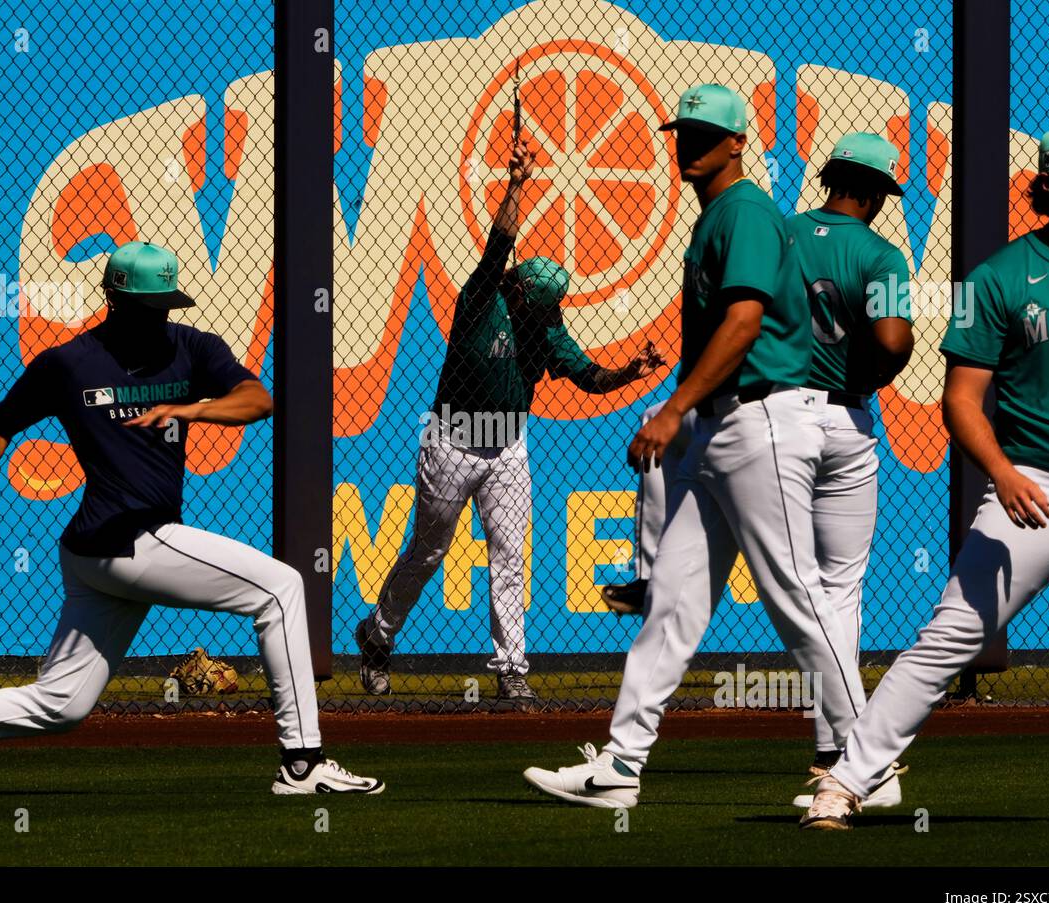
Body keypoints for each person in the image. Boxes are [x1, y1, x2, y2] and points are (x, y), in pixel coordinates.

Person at [0, 241, 381, 798]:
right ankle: (302, 763)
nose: (160, 315)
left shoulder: (189, 348)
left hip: (119, 548)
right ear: (113, 299)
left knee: (61, 704)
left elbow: (256, 399)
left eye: (166, 304)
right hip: (120, 539)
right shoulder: (69, 363)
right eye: (149, 306)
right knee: (281, 587)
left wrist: (191, 409)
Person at [523, 83, 866, 807]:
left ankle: (867, 762)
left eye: (707, 133)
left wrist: (673, 409)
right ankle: (620, 767)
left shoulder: (743, 211)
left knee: (796, 597)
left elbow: (744, 323)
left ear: (738, 142)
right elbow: (717, 335)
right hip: (723, 426)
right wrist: (682, 413)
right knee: (673, 604)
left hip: (760, 419)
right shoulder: (718, 213)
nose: (690, 143)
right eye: (683, 131)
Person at [801, 120, 1049, 829]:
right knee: (952, 636)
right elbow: (960, 399)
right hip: (1041, 485)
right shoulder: (996, 280)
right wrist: (1002, 473)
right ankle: (846, 781)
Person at [604, 133, 916, 800]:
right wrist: (853, 381)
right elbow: (892, 344)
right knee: (833, 589)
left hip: (773, 407)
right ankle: (853, 754)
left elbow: (740, 316)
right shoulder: (883, 254)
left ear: (831, 178)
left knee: (783, 589)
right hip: (838, 421)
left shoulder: (781, 228)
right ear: (878, 193)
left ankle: (846, 754)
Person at [355, 142, 663, 701]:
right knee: (427, 553)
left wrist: (630, 372)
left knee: (510, 555)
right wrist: (519, 182)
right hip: (451, 445)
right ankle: (377, 635)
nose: (553, 316)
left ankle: (511, 668)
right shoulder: (479, 301)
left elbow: (587, 377)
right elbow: (499, 245)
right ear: (516, 291)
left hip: (508, 450)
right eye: (544, 305)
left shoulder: (545, 327)